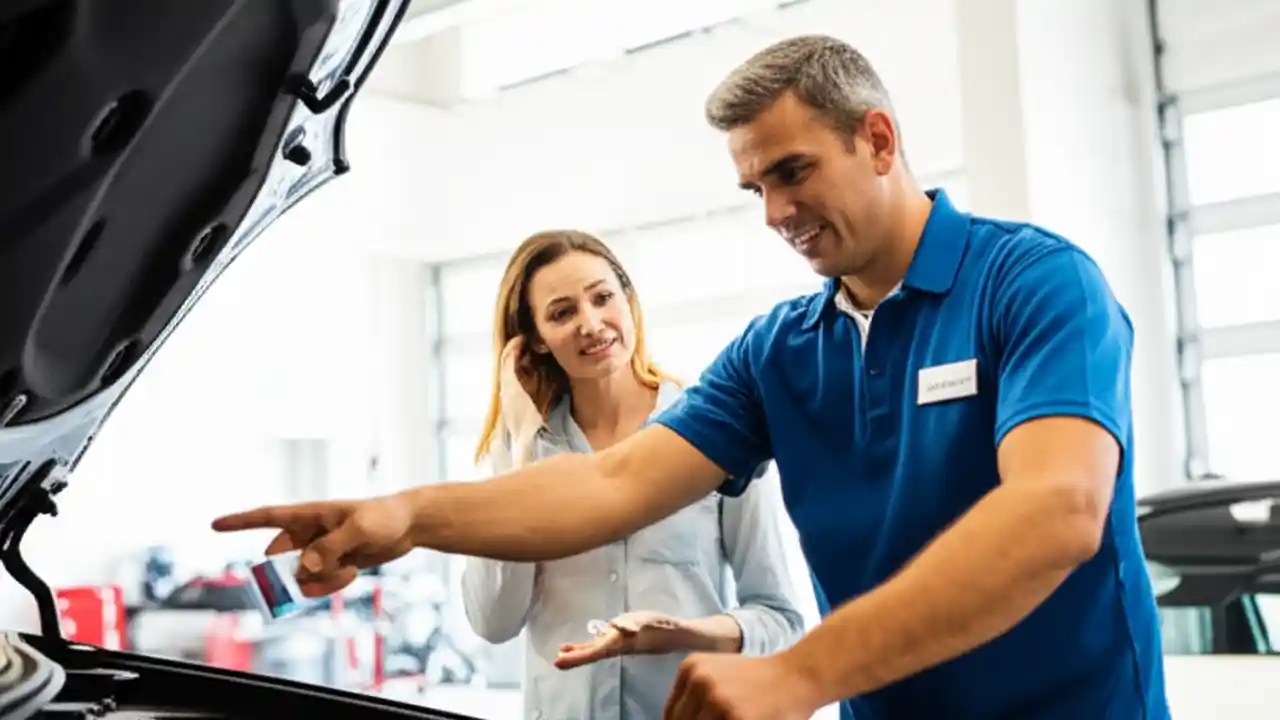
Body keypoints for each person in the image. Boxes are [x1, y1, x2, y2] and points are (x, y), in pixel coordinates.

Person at [212, 34, 1170, 720]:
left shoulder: (1034, 284)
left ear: (878, 140)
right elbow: (611, 483)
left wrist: (798, 674)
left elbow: (1056, 514)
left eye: (794, 173)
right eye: (756, 188)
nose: (775, 214)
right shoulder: (779, 349)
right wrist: (408, 515)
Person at [459, 229, 806, 719]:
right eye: (562, 313)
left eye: (603, 298)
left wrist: (685, 633)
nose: (592, 324)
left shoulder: (714, 431)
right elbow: (493, 622)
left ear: (628, 299)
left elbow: (781, 618)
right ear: (534, 339)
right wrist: (518, 451)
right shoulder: (523, 450)